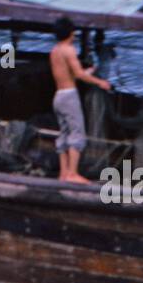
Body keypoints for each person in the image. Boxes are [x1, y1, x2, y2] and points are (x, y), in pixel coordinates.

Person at [49, 15, 112, 184]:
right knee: (77, 134)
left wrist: (88, 73)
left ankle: (63, 173)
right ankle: (72, 173)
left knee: (64, 134)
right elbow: (77, 74)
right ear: (71, 33)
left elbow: (68, 75)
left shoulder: (54, 51)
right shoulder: (69, 50)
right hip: (69, 97)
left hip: (59, 96)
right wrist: (100, 82)